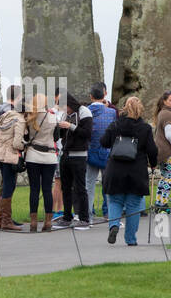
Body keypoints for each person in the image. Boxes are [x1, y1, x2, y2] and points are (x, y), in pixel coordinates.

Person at [100, 96, 159, 246]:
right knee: (133, 205)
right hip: (136, 170)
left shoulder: (115, 125)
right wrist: (153, 164)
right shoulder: (145, 128)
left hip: (115, 169)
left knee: (115, 201)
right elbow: (152, 150)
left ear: (125, 108)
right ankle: (130, 239)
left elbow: (104, 141)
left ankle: (114, 225)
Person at [53, 91, 93, 229]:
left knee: (80, 188)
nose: (64, 110)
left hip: (79, 154)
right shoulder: (65, 115)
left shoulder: (84, 112)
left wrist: (70, 126)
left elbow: (87, 133)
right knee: (66, 187)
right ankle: (67, 217)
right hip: (65, 154)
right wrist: (59, 128)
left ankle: (84, 218)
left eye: (65, 107)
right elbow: (61, 136)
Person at [0, 92, 27, 232]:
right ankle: (6, 221)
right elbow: (17, 143)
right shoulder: (20, 120)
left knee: (5, 185)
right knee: (9, 186)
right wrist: (26, 145)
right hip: (9, 156)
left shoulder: (6, 115)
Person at [23, 94, 60, 232]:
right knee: (46, 189)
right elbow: (56, 137)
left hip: (33, 155)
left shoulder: (29, 118)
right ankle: (48, 221)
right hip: (49, 157)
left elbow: (26, 137)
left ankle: (33, 222)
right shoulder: (52, 117)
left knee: (34, 189)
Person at [86, 82, 116, 222]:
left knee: (89, 186)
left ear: (91, 96)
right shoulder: (111, 112)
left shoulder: (85, 111)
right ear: (104, 95)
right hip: (107, 153)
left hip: (90, 152)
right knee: (108, 185)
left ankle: (88, 216)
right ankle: (110, 215)